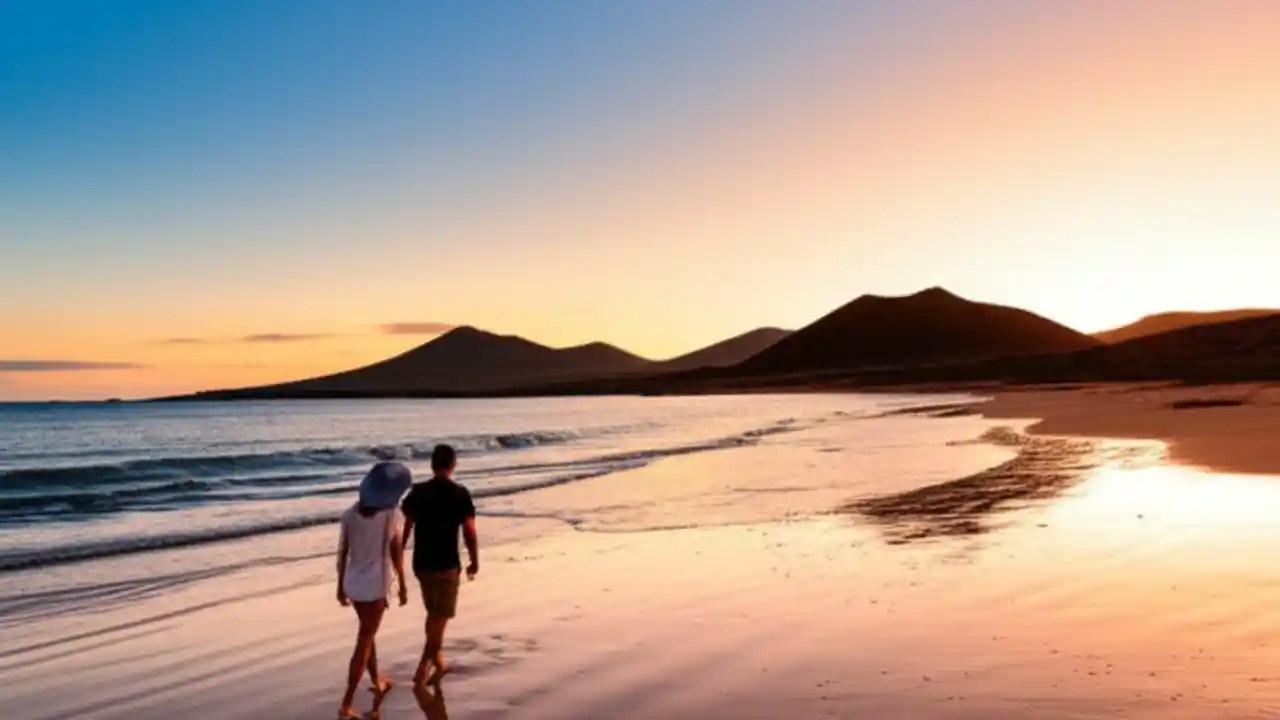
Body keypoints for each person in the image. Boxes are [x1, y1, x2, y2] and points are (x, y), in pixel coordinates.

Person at [335, 461, 413, 719]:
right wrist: (402, 584)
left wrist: (339, 587)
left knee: (367, 632)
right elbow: (396, 551)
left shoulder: (349, 514)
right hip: (375, 584)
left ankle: (377, 679)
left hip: (353, 583)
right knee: (365, 638)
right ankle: (346, 703)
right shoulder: (391, 515)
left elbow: (343, 552)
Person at [401, 444, 478, 686]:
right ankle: (430, 665)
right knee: (439, 616)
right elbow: (469, 531)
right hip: (446, 565)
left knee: (434, 616)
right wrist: (475, 560)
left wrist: (397, 556)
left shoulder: (417, 493)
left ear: (432, 465)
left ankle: (432, 665)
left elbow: (405, 527)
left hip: (422, 564)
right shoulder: (460, 493)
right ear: (453, 465)